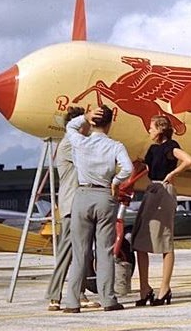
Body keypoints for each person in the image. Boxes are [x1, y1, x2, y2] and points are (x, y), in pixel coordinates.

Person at [62, 106, 132, 313]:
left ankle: (73, 302)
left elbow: (69, 127)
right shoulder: (115, 146)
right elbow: (128, 169)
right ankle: (108, 299)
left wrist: (85, 116)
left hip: (82, 195)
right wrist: (116, 181)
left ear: (92, 123)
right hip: (104, 195)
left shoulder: (80, 142)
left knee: (80, 252)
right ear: (110, 124)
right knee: (105, 251)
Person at [130, 115, 191, 307]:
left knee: (165, 239)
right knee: (140, 240)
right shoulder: (152, 149)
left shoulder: (171, 146)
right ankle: (144, 288)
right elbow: (146, 167)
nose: (148, 130)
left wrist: (172, 174)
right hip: (151, 190)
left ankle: (164, 288)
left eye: (151, 127)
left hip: (163, 192)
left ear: (160, 129)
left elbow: (189, 160)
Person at [44, 106, 99, 311]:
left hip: (79, 203)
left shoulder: (73, 143)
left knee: (81, 252)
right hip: (71, 204)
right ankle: (54, 294)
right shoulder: (69, 144)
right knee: (68, 251)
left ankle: (78, 292)